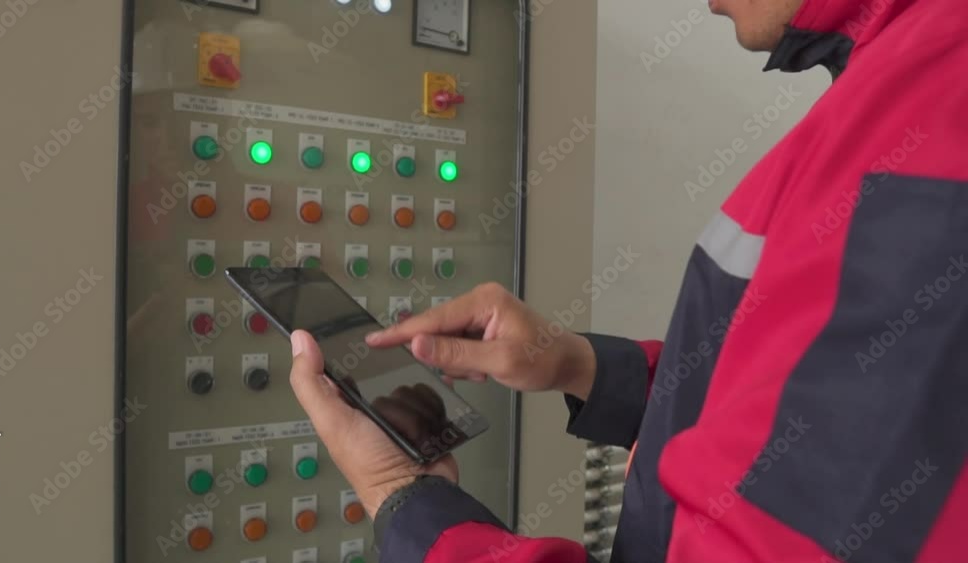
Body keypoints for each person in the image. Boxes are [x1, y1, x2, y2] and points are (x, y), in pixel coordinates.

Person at [288, 0, 968, 559]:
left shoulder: (934, 113)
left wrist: (407, 504)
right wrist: (580, 364)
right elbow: (790, 394)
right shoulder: (893, 83)